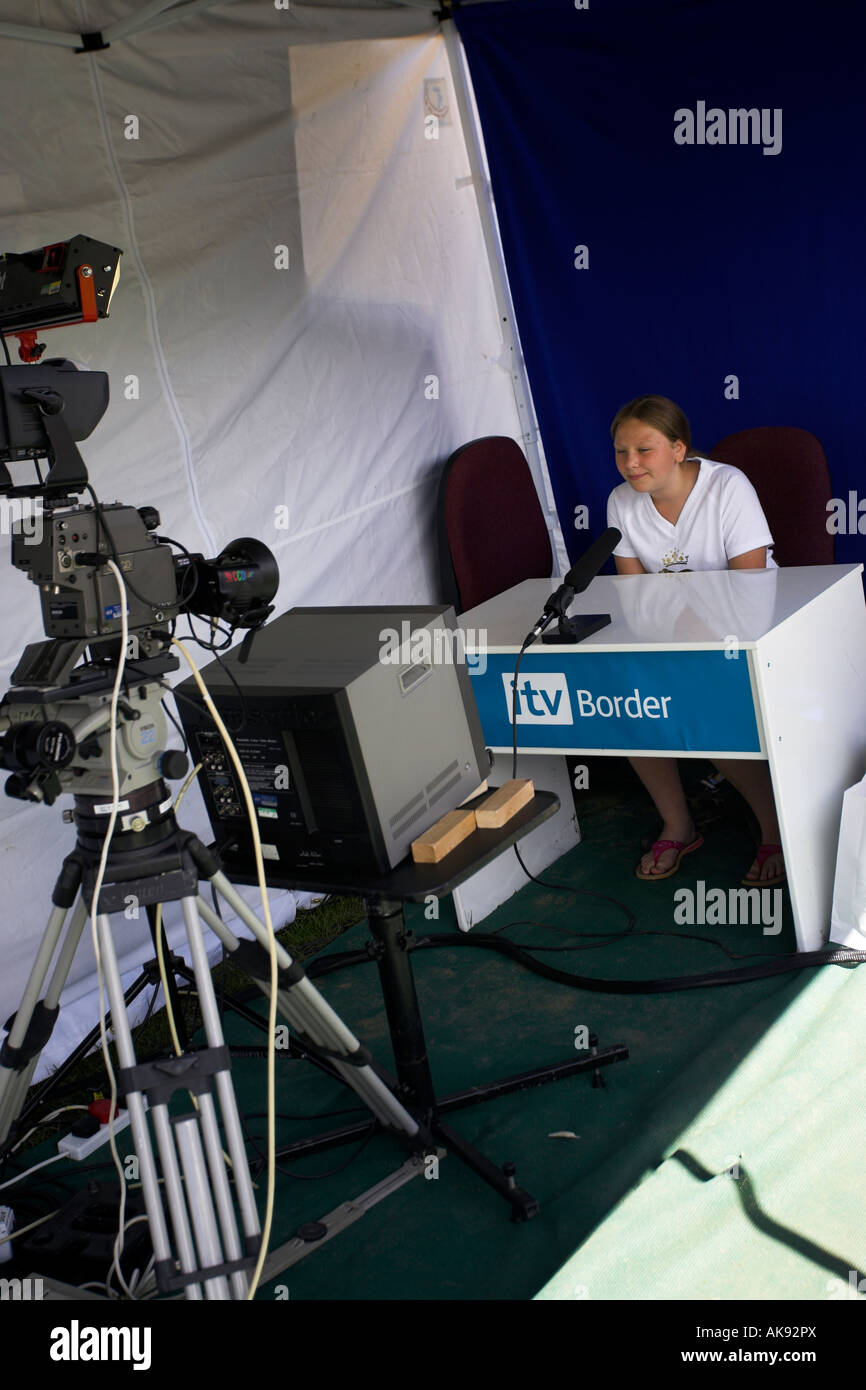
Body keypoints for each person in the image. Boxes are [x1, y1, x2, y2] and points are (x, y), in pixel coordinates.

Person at [605, 393, 784, 885]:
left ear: (679, 449)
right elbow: (632, 593)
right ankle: (678, 823)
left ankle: (775, 828)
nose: (631, 463)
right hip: (669, 641)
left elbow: (750, 588)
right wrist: (666, 640)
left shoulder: (728, 485)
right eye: (622, 451)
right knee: (631, 701)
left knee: (704, 699)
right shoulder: (621, 502)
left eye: (645, 449)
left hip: (749, 633)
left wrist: (693, 637)